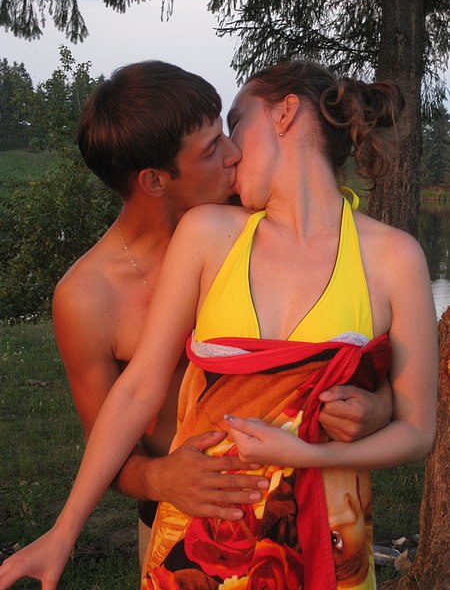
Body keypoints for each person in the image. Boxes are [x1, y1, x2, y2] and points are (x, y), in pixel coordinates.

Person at [0, 60, 435, 590]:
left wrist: (373, 408)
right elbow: (137, 389)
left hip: (326, 544)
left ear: (286, 115)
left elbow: (411, 420)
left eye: (234, 124)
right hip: (197, 538)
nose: (231, 153)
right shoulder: (200, 238)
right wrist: (66, 530)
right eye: (215, 143)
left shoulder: (390, 256)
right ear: (155, 180)